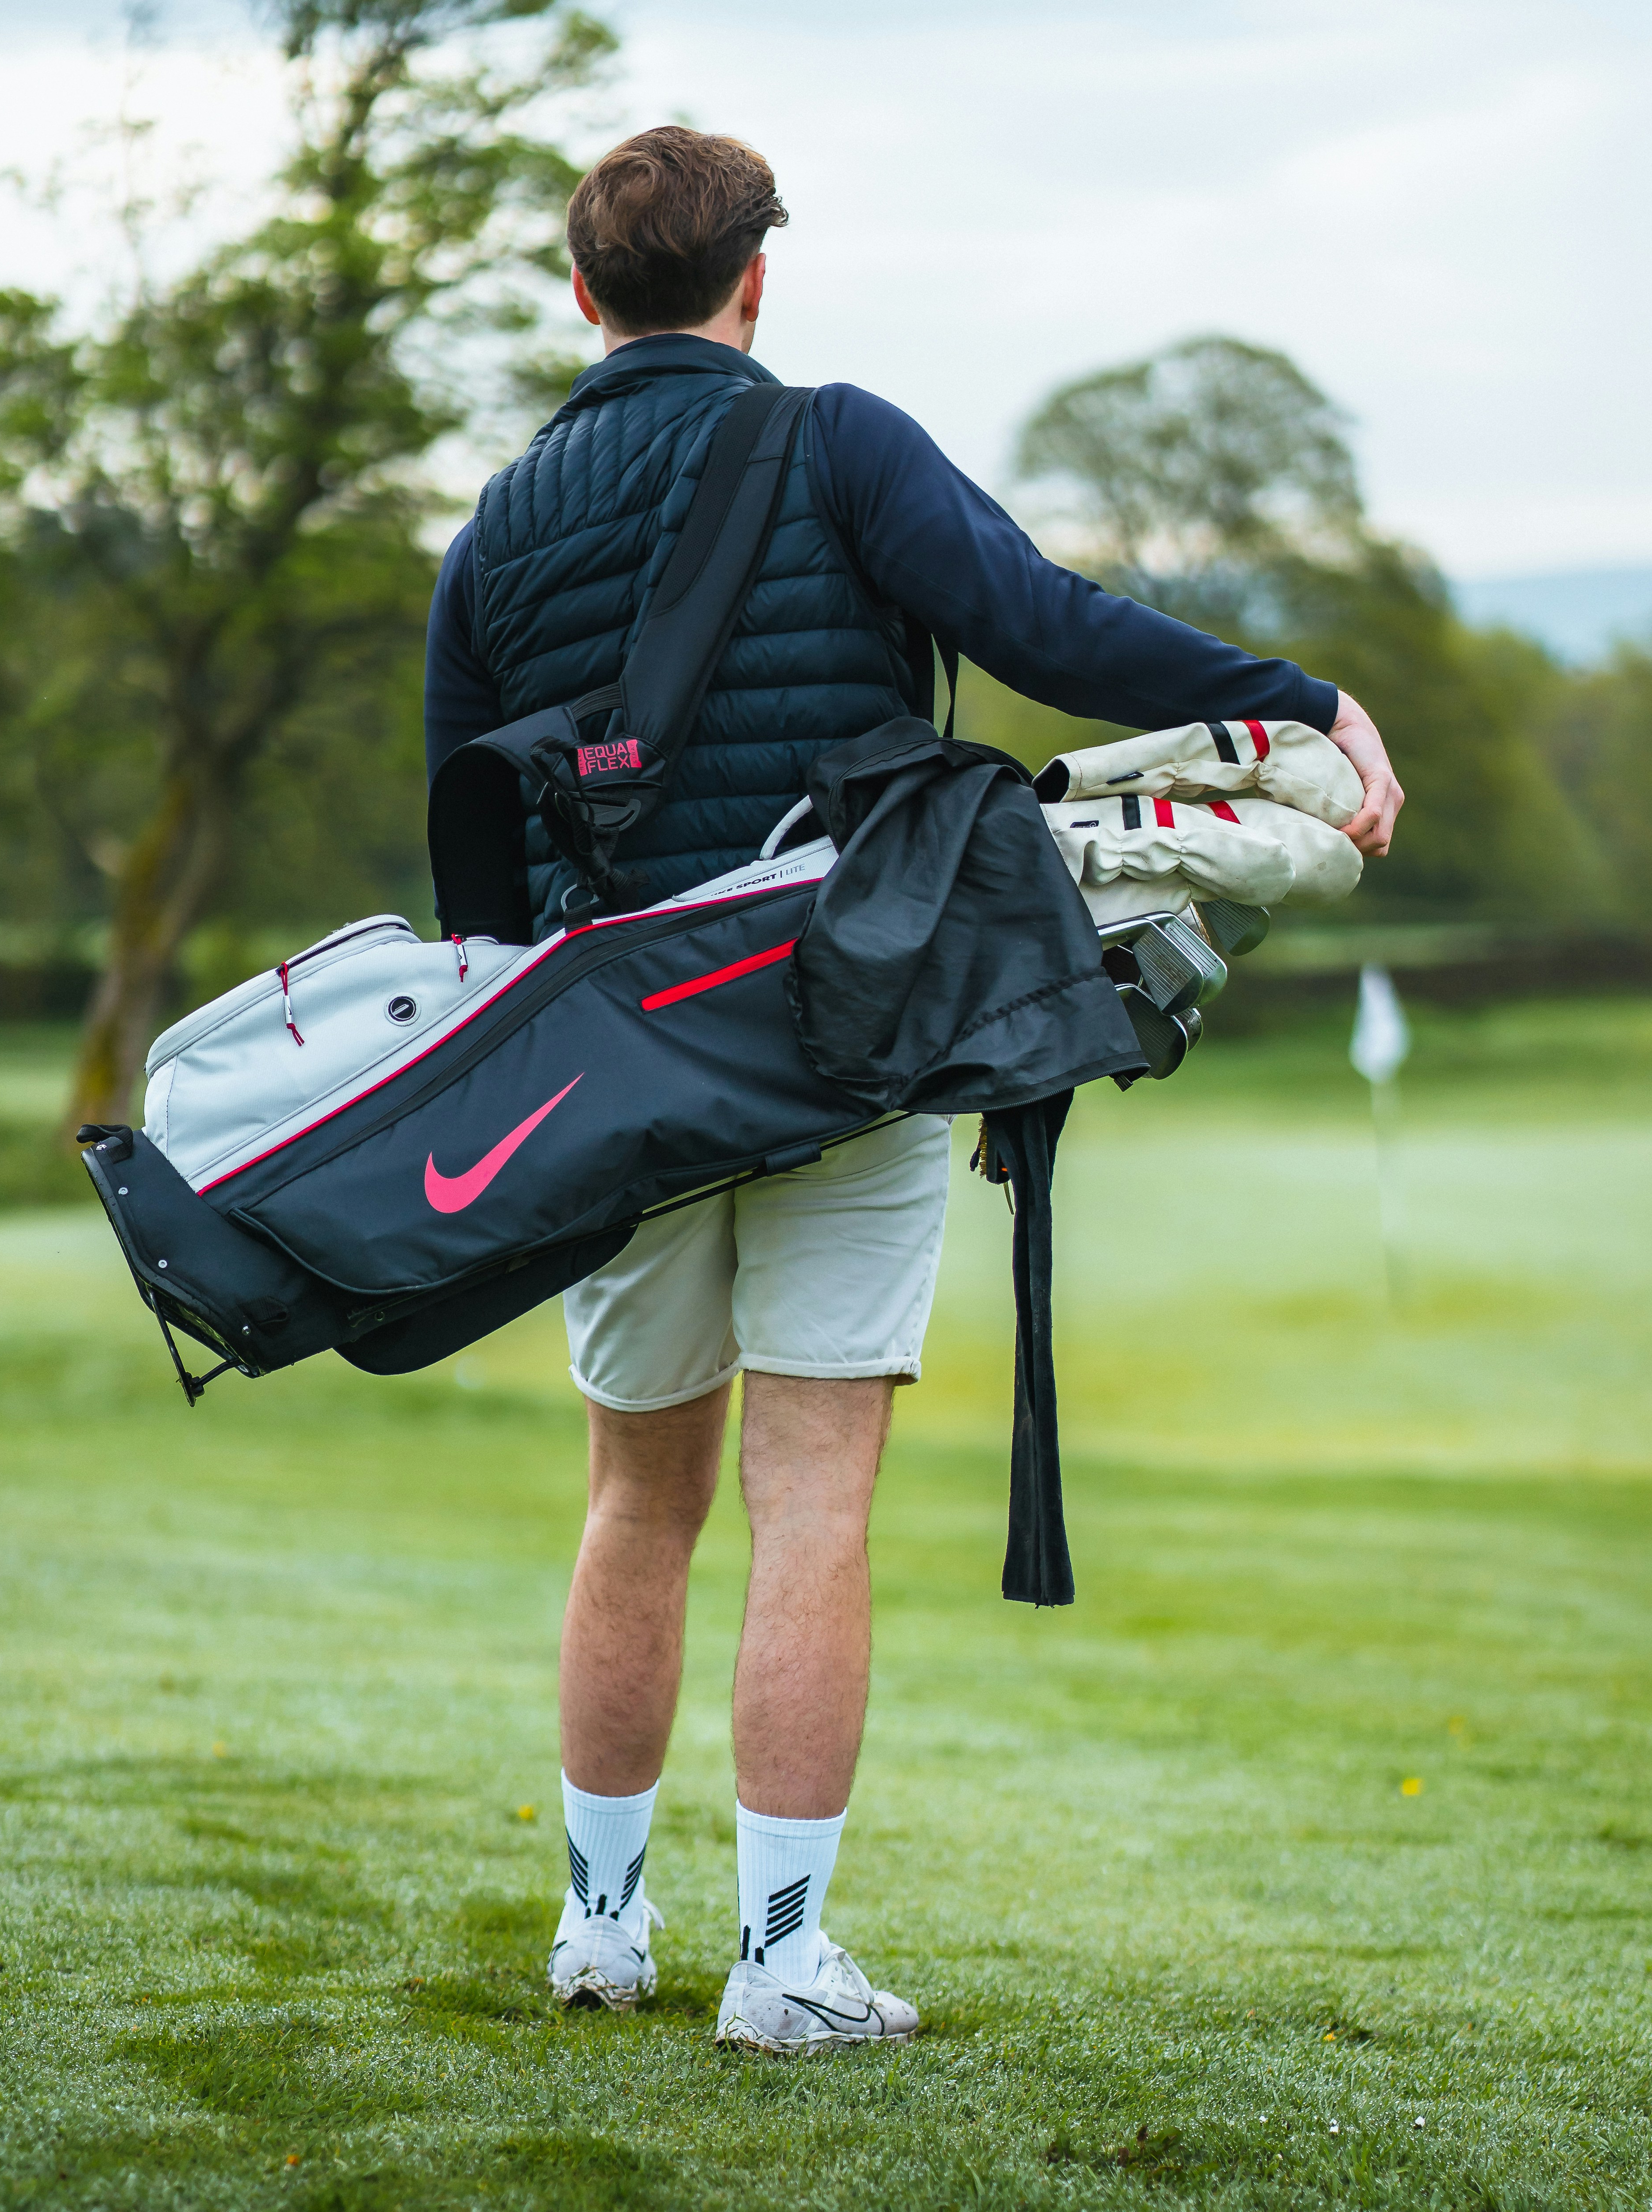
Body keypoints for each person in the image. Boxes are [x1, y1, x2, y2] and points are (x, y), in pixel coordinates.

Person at [424, 126, 1403, 2054]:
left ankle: (604, 1926)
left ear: (580, 297)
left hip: (608, 1066)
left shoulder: (497, 527)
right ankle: (780, 1962)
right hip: (842, 1032)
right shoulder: (836, 437)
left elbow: (472, 860)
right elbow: (1043, 629)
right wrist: (1289, 691)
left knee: (635, 1499)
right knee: (812, 1502)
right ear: (755, 281)